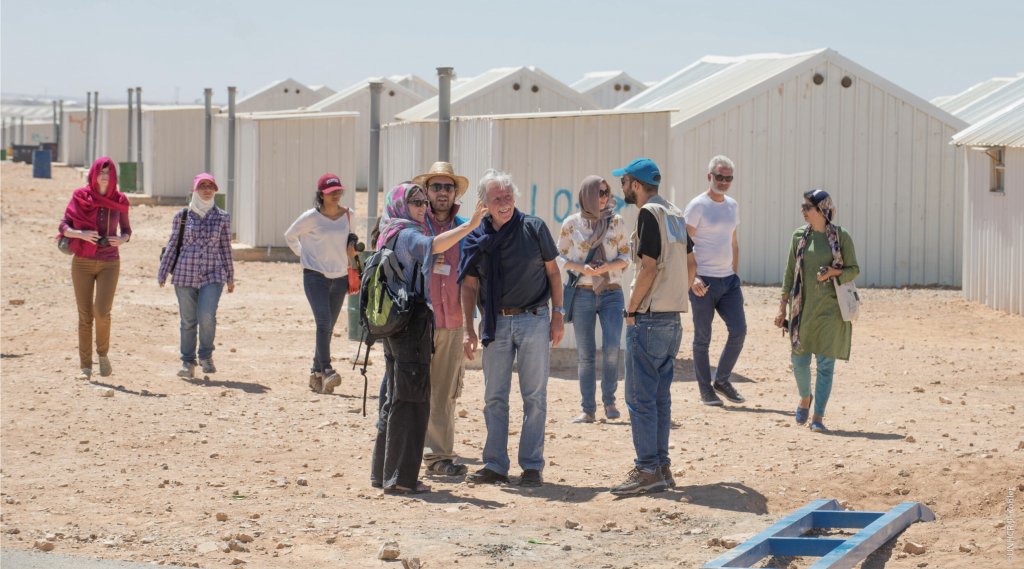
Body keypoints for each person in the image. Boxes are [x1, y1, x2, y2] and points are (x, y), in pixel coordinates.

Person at [371, 184, 487, 494]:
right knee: (413, 402)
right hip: (411, 327)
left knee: (394, 399)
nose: (423, 206)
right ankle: (401, 480)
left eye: (424, 201)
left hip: (394, 326)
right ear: (401, 205)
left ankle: (381, 474)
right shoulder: (409, 234)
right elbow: (433, 245)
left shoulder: (388, 231)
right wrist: (472, 227)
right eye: (416, 201)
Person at [458, 169, 564, 489]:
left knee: (535, 397)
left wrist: (557, 315)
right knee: (494, 396)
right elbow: (469, 287)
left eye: (508, 196)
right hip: (496, 323)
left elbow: (554, 275)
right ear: (483, 204)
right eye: (496, 199)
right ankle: (495, 465)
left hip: (534, 319)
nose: (504, 203)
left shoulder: (534, 227)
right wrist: (467, 328)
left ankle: (531, 466)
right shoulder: (477, 237)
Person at [608, 159, 693, 496]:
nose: (622, 187)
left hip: (649, 317)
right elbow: (691, 263)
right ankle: (661, 466)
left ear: (636, 184)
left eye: (625, 181)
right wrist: (675, 297)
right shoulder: (675, 213)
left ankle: (647, 470)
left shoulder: (648, 214)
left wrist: (632, 310)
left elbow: (648, 268)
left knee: (639, 398)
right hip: (672, 317)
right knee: (659, 397)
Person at [775, 190, 859, 432]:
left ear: (821, 210)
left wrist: (834, 272)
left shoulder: (841, 237)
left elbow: (854, 269)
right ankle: (805, 398)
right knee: (799, 362)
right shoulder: (799, 236)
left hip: (831, 311)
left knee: (825, 365)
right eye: (802, 206)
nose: (802, 210)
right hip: (802, 310)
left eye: (807, 207)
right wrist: (782, 307)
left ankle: (818, 417)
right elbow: (789, 273)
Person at [412, 162, 472, 477]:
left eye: (448, 187)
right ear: (427, 192)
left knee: (446, 390)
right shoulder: (414, 227)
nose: (442, 193)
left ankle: (439, 459)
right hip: (418, 322)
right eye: (436, 187)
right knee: (412, 388)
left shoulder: (467, 227)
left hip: (453, 322)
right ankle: (405, 454)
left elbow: (475, 277)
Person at [556, 175, 630, 423]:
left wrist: (606, 267)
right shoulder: (571, 224)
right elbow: (559, 257)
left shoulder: (616, 221)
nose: (603, 197)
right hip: (583, 293)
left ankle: (609, 402)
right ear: (586, 195)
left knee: (611, 349)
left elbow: (626, 257)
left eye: (606, 192)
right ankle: (588, 409)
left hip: (611, 292)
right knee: (585, 353)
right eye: (598, 193)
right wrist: (582, 268)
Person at [58, 158, 131, 380]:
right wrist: (81, 234)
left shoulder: (120, 200)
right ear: (93, 173)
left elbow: (127, 229)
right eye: (101, 170)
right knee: (85, 315)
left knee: (102, 312)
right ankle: (85, 366)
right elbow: (63, 226)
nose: (105, 174)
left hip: (110, 261)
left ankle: (103, 355)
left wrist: (122, 239)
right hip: (82, 261)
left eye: (109, 171)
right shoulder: (80, 196)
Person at [284, 174, 357, 394]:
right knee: (323, 323)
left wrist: (352, 244)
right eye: (330, 191)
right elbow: (289, 236)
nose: (335, 194)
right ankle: (327, 370)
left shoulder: (348, 214)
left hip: (341, 277)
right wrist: (303, 255)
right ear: (321, 194)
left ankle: (315, 374)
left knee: (328, 328)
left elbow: (351, 236)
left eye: (338, 191)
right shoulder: (310, 217)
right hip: (315, 276)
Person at [157, 174, 235, 379]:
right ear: (195, 190)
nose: (207, 190)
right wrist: (163, 271)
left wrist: (230, 276)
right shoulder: (182, 216)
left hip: (213, 274)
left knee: (207, 316)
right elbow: (173, 245)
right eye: (203, 186)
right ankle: (187, 362)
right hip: (184, 274)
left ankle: (206, 356)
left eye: (211, 186)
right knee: (188, 321)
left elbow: (226, 247)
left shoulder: (223, 217)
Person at [685, 155, 747, 407]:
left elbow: (733, 243)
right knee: (703, 338)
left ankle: (721, 380)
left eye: (728, 178)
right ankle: (705, 391)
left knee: (739, 331)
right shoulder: (697, 205)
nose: (723, 181)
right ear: (709, 176)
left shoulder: (732, 205)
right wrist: (693, 277)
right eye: (719, 176)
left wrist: (734, 273)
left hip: (729, 281)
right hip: (703, 282)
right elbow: (682, 245)